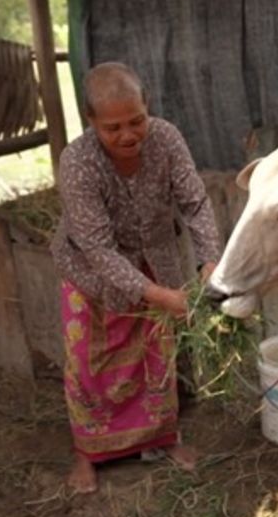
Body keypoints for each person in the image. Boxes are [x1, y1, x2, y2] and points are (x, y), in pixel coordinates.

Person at [51, 61, 221, 494]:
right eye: (112, 128)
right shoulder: (77, 162)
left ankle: (163, 439)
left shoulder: (166, 138)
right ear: (91, 122)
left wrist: (209, 259)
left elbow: (195, 203)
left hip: (155, 260)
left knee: (155, 356)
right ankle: (87, 454)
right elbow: (98, 249)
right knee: (92, 363)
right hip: (92, 273)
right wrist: (159, 296)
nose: (128, 135)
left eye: (136, 121)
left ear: (148, 108)